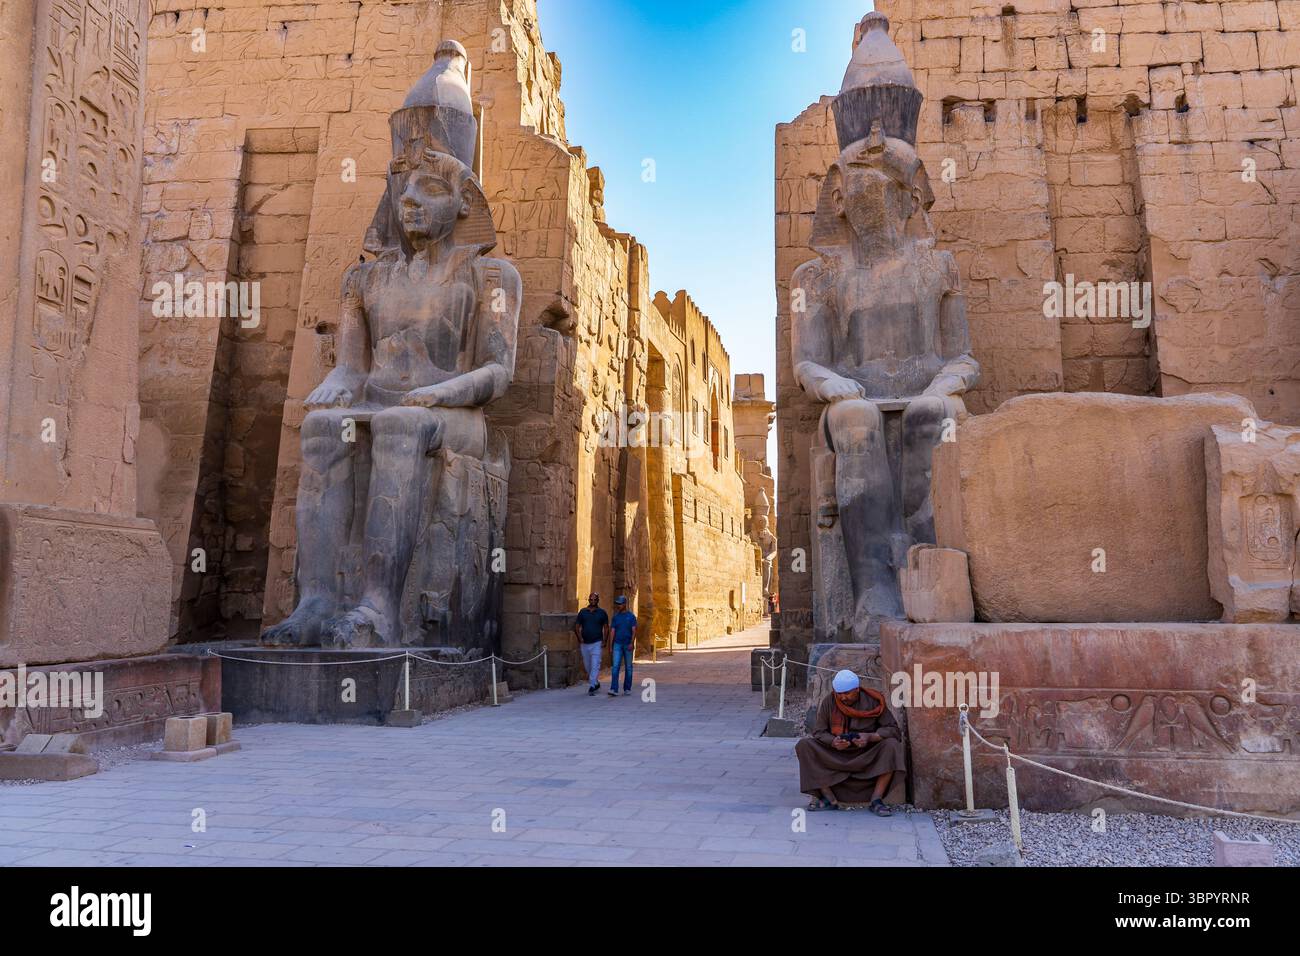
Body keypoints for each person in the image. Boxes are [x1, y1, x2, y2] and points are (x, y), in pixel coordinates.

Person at [795, 669, 905, 816]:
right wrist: (834, 742)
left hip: (866, 754)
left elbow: (893, 730)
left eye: (847, 693)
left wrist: (870, 737)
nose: (843, 697)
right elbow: (819, 732)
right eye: (839, 693)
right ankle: (828, 798)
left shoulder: (873, 701)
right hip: (836, 754)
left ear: (857, 690)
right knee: (804, 745)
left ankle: (876, 800)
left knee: (892, 745)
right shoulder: (830, 701)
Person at [573, 593, 609, 696]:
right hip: (585, 643)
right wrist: (580, 638)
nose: (593, 600)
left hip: (597, 642)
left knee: (595, 664)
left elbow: (606, 627)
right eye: (591, 599)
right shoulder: (583, 612)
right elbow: (577, 626)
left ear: (598, 600)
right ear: (588, 600)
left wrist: (605, 640)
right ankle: (596, 682)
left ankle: (592, 686)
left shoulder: (602, 613)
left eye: (595, 599)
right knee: (587, 665)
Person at [607, 596, 637, 697]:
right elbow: (612, 632)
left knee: (628, 667)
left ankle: (627, 688)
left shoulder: (631, 617)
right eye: (617, 604)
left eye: (620, 604)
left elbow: (634, 631)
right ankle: (614, 688)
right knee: (615, 667)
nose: (618, 606)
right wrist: (611, 646)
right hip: (617, 644)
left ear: (625, 604)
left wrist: (632, 643)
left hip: (627, 644)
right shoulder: (615, 617)